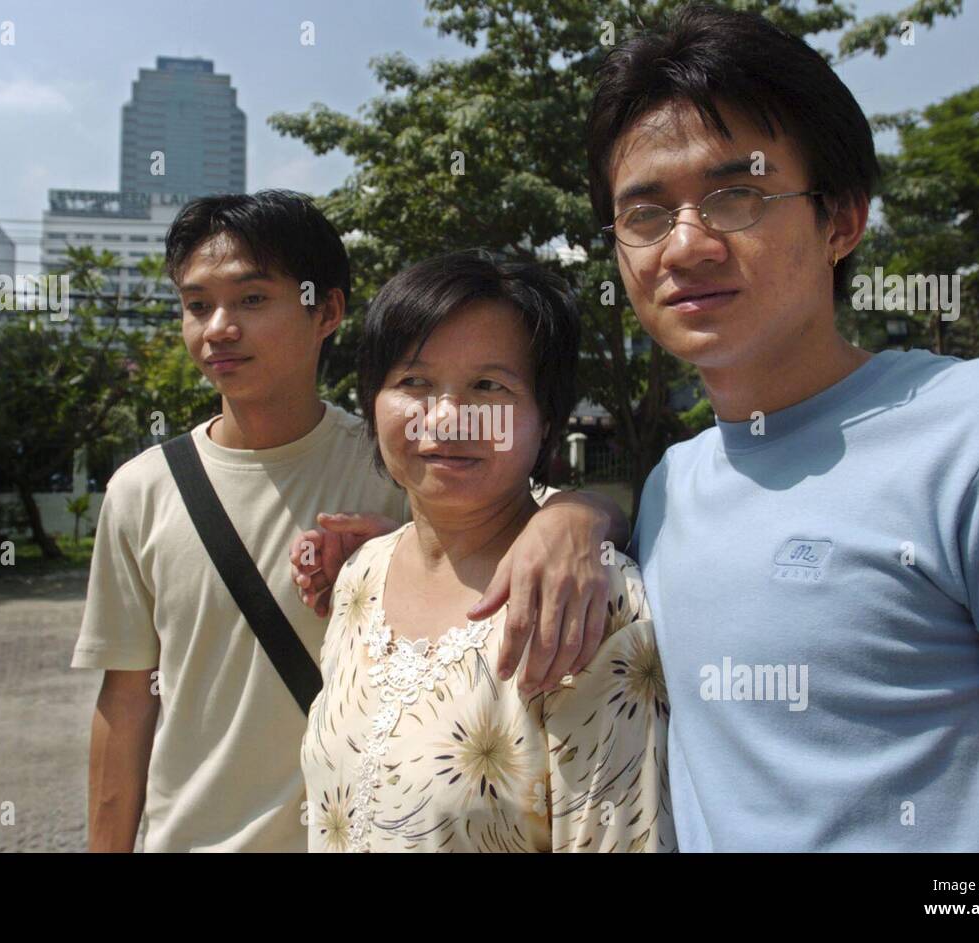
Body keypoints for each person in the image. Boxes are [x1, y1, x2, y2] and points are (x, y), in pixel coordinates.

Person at [585, 3, 979, 850]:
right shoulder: (669, 486)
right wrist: (579, 512)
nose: (685, 245)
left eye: (736, 196)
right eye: (646, 214)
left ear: (842, 220)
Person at [70, 191, 627, 852]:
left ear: (325, 310)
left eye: (252, 299)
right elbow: (127, 701)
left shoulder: (407, 459)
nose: (219, 327)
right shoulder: (140, 491)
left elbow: (539, 514)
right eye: (197, 305)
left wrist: (577, 513)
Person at [301, 250, 674, 852]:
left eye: (488, 386)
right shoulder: (360, 576)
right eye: (413, 382)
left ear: (545, 418)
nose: (447, 419)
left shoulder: (593, 599)